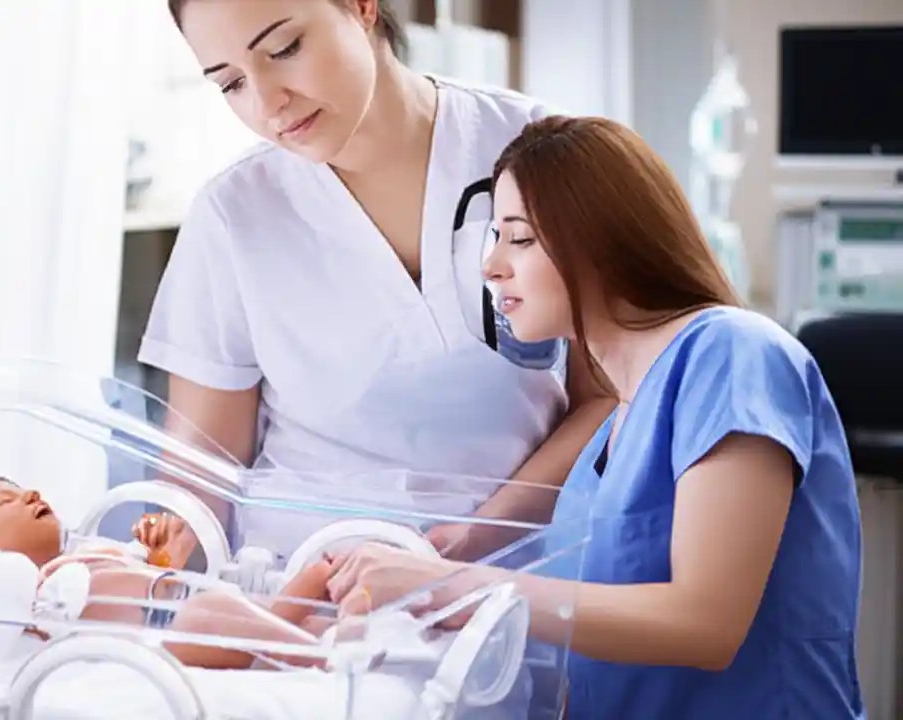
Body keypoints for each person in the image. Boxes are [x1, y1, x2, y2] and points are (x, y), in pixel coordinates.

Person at [323, 116, 866, 718]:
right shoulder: (610, 433)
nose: (491, 265)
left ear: (602, 239)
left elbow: (706, 623)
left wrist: (448, 588)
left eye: (519, 239)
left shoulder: (733, 355)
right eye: (494, 237)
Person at [141, 0, 614, 560]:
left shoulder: (539, 151)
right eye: (232, 84)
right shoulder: (234, 212)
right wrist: (146, 569)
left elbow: (610, 393)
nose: (267, 104)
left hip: (509, 573)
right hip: (296, 577)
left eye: (285, 49)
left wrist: (482, 534)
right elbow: (201, 467)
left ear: (363, 6)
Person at [0, 474, 337, 670]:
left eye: (23, 489)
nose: (33, 494)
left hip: (186, 599)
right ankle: (320, 649)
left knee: (274, 617)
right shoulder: (31, 595)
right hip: (174, 630)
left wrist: (161, 556)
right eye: (5, 502)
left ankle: (341, 634)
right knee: (237, 627)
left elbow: (139, 581)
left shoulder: (85, 553)